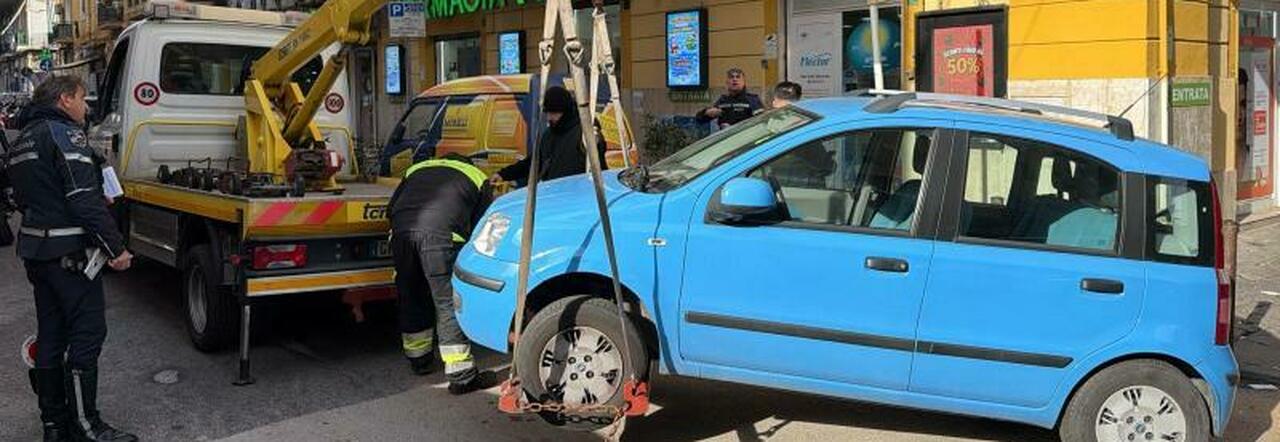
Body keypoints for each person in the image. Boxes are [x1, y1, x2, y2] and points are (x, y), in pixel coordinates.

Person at [8, 76, 136, 442]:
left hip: (37, 253)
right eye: (81, 99)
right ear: (65, 99)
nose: (86, 107)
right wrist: (117, 249)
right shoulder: (65, 134)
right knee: (87, 335)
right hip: (70, 256)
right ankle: (86, 426)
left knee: (51, 336)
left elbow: (25, 196)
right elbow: (82, 200)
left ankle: (54, 426)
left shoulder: (24, 138)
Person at [389, 152, 496, 394]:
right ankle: (462, 377)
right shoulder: (477, 176)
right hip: (440, 239)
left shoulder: (415, 169)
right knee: (448, 302)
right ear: (465, 163)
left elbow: (392, 208)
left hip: (402, 235)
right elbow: (484, 225)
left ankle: (419, 360)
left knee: (412, 294)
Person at [490, 86, 605, 187]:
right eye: (548, 113)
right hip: (553, 195)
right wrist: (504, 174)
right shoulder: (549, 135)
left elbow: (597, 152)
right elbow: (533, 163)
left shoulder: (584, 129)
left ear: (565, 112)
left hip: (579, 196)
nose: (550, 118)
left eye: (554, 113)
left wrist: (594, 139)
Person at [696, 68, 764, 129]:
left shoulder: (752, 100)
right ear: (727, 82)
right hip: (726, 140)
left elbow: (761, 122)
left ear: (743, 82)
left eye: (738, 77)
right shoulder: (723, 100)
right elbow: (699, 120)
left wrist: (733, 128)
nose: (734, 79)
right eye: (731, 77)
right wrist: (706, 113)